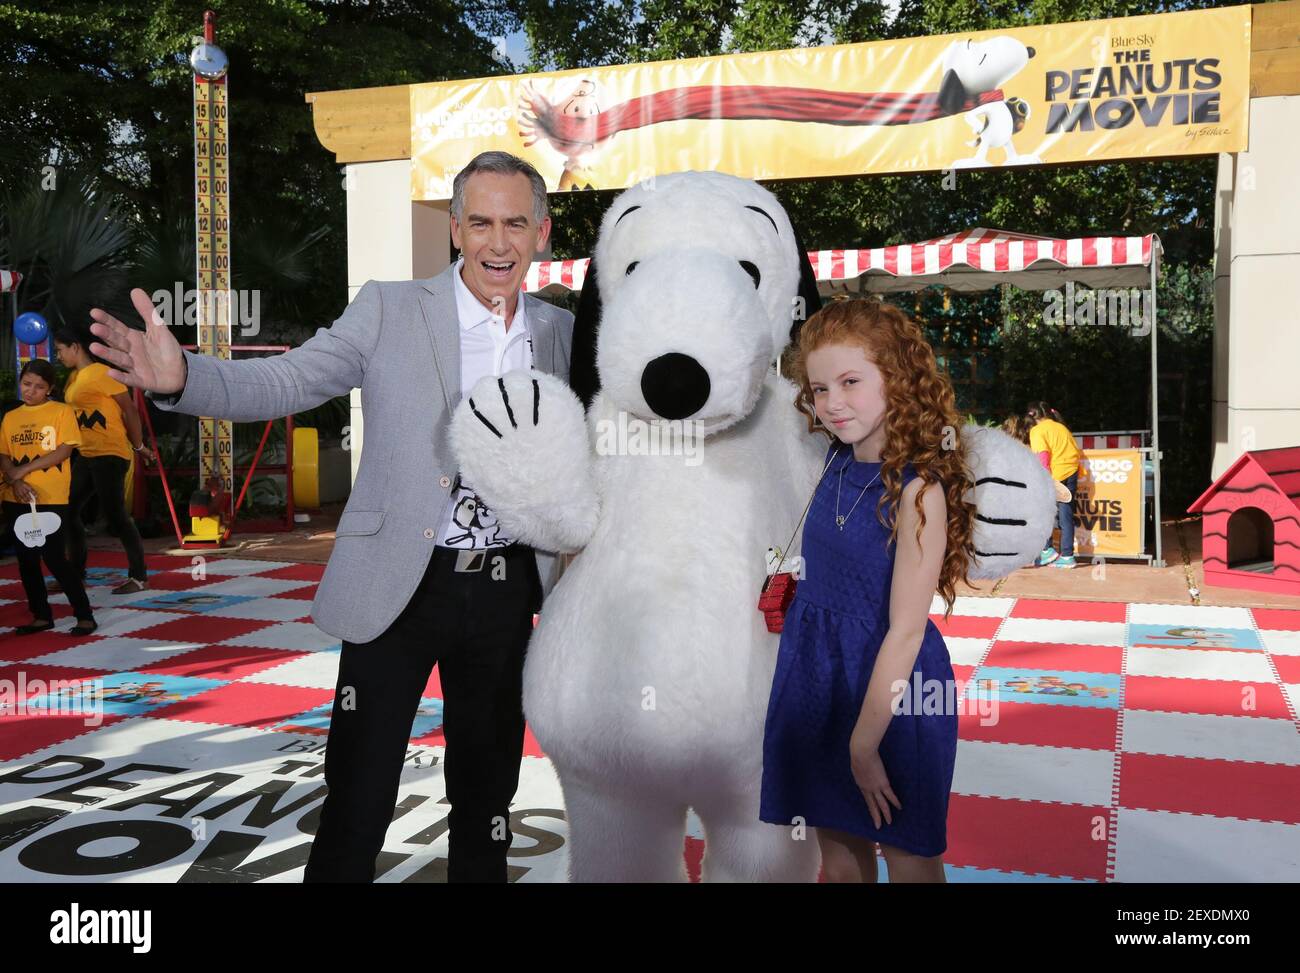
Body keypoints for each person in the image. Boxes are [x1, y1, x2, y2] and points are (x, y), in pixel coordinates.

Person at [85, 151, 574, 883]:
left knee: (487, 796)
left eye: (514, 223)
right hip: (398, 586)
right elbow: (291, 376)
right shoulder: (389, 307)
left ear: (541, 230)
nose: (496, 243)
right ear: (454, 228)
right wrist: (183, 376)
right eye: (479, 222)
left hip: (507, 592)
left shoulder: (564, 333)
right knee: (359, 793)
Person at [760, 299, 976, 883]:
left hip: (894, 697)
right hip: (820, 682)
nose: (833, 403)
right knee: (839, 858)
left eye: (851, 382)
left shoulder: (918, 491)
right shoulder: (830, 459)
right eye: (820, 387)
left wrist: (863, 743)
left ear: (897, 378)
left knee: (911, 862)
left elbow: (906, 631)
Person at [54, 326, 155, 594]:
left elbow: (129, 410)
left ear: (75, 347)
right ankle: (76, 572)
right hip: (87, 454)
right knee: (67, 510)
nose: (58, 356)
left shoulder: (100, 373)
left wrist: (139, 445)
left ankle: (139, 577)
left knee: (116, 516)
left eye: (60, 350)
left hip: (109, 454)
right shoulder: (75, 377)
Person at [0, 359, 98, 635]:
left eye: (39, 386)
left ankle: (84, 615)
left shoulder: (61, 412)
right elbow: (4, 455)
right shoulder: (10, 417)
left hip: (51, 497)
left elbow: (64, 451)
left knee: (54, 558)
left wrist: (23, 471)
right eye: (26, 384)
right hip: (15, 496)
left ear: (50, 389)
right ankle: (41, 615)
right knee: (26, 560)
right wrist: (14, 480)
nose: (31, 391)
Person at [1025, 401, 1082, 569]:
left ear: (1032, 416)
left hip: (1054, 475)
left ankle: (1046, 551)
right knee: (1066, 515)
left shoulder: (1037, 431)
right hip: (1070, 472)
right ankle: (1067, 556)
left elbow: (1043, 457)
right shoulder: (1062, 428)